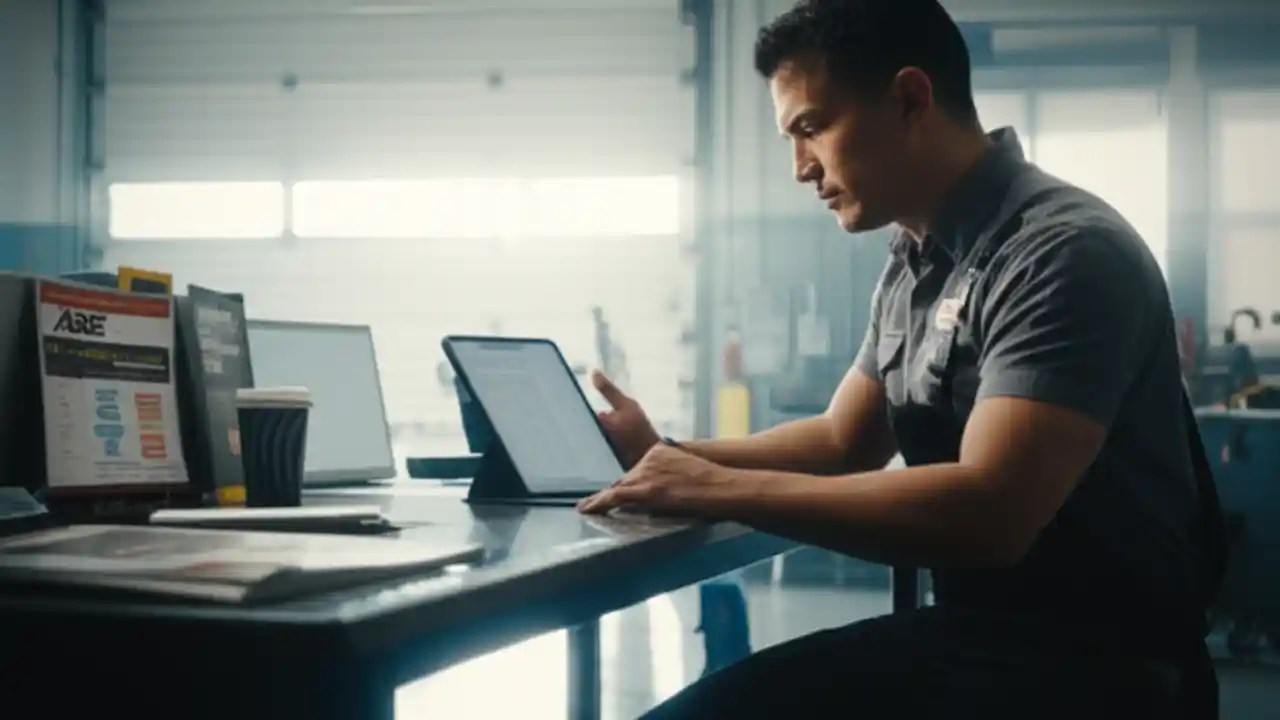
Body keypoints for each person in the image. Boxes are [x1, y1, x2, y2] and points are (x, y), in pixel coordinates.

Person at [577, 1, 1224, 718]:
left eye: (811, 128)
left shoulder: (1062, 251)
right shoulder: (915, 257)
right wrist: (666, 455)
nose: (799, 168)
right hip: (984, 642)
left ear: (911, 99)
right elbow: (843, 441)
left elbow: (991, 513)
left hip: (1095, 666)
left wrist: (709, 488)